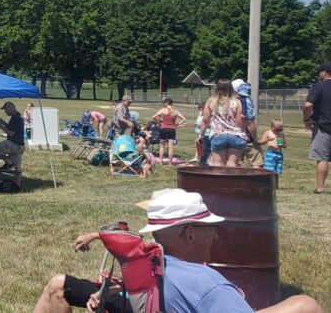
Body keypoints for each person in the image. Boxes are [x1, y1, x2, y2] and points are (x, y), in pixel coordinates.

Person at [33, 188, 322, 313]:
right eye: (208, 228)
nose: (213, 235)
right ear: (189, 232)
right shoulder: (207, 285)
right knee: (304, 304)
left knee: (60, 284)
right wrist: (226, 296)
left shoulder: (146, 262)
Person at [199, 79, 247, 167]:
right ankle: (232, 180)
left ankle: (219, 181)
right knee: (232, 163)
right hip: (236, 134)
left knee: (218, 163)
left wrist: (201, 135)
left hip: (218, 134)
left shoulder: (211, 101)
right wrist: (244, 131)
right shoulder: (237, 101)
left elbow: (205, 120)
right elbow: (239, 121)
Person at [304, 62, 331, 194]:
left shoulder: (319, 86)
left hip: (323, 126)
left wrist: (306, 119)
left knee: (322, 158)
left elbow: (308, 105)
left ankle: (320, 188)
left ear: (324, 72)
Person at [0, 101, 26, 184]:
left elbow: (11, 133)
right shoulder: (18, 116)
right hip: (20, 146)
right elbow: (13, 129)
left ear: (11, 107)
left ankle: (8, 161)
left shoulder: (15, 118)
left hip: (12, 144)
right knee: (17, 168)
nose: (5, 111)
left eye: (5, 109)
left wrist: (1, 127)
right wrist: (4, 123)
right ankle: (18, 186)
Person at [152, 97, 187, 165]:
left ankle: (161, 161)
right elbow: (184, 119)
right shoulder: (175, 111)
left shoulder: (163, 110)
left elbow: (153, 117)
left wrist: (159, 122)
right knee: (171, 147)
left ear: (166, 103)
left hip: (163, 128)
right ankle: (170, 163)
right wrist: (176, 124)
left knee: (162, 146)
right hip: (172, 129)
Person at [259, 119, 286, 188]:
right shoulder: (268, 133)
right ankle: (268, 184)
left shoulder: (281, 134)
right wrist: (268, 139)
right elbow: (261, 142)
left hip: (279, 154)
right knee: (270, 170)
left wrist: (283, 145)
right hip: (270, 154)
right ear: (271, 127)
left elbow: (285, 145)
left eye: (280, 130)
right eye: (276, 130)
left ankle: (276, 186)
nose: (278, 132)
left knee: (277, 172)